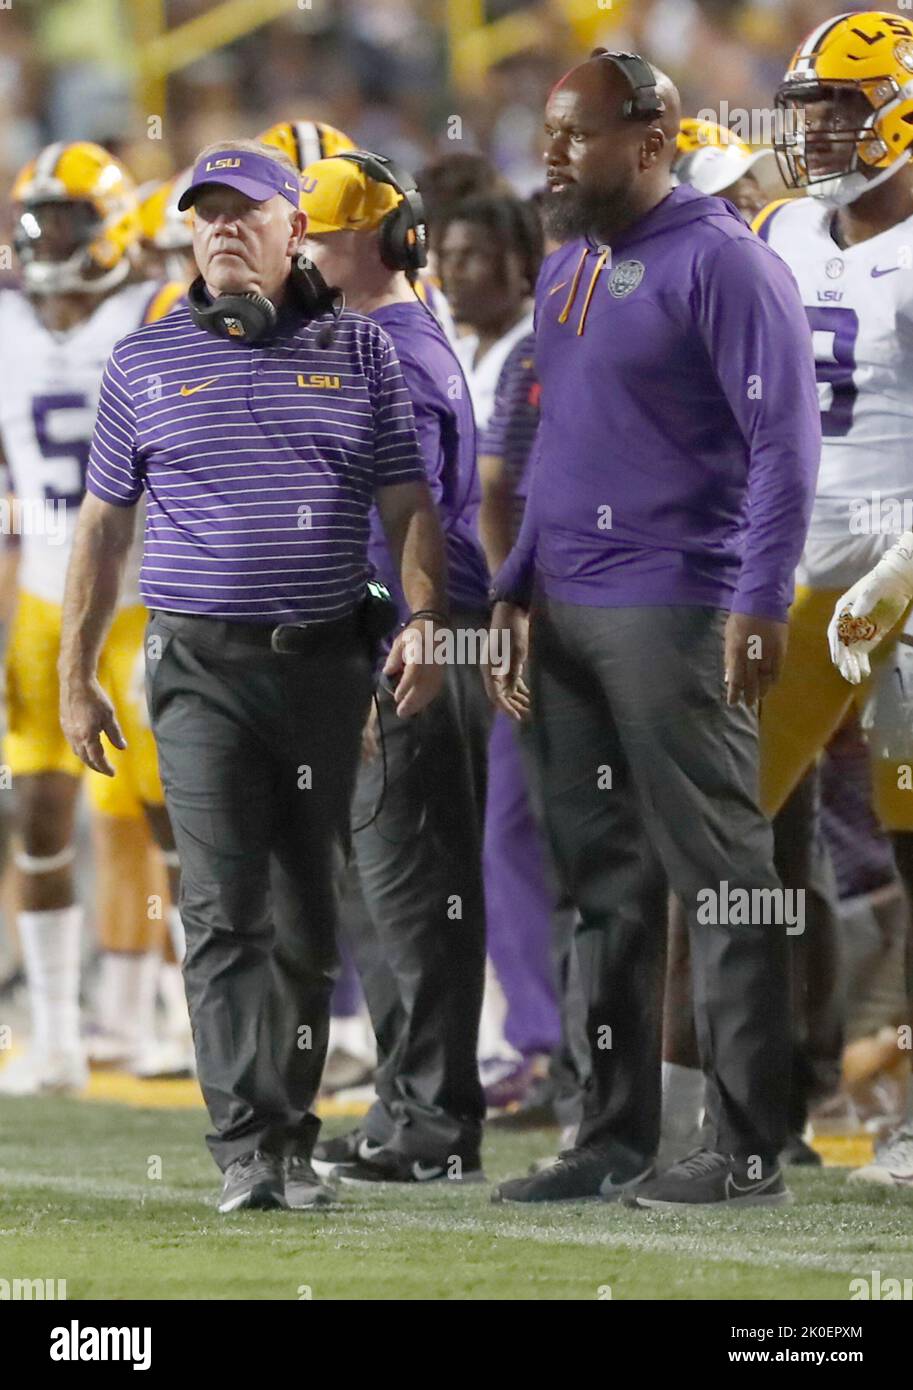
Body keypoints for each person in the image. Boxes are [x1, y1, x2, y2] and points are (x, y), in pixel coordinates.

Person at [58, 138, 448, 1214]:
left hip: (325, 664)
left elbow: (407, 503)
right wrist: (74, 673)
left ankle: (290, 1134)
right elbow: (101, 527)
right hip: (198, 667)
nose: (223, 227)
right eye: (206, 212)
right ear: (187, 230)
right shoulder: (143, 361)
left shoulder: (363, 352)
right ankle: (244, 1147)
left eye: (246, 210)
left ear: (295, 230)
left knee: (308, 918)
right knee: (225, 908)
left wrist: (422, 617)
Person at [486, 50, 820, 1208]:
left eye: (576, 134)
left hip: (678, 605)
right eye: (549, 130)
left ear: (652, 141)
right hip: (568, 604)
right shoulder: (569, 258)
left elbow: (784, 447)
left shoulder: (725, 262)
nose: (553, 151)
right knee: (600, 887)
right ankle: (610, 1132)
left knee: (724, 882)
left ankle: (743, 1147)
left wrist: (759, 600)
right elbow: (562, 443)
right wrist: (516, 585)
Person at [293, 149, 491, 1182]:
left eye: (320, 237)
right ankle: (411, 1106)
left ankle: (432, 1126)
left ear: (376, 240)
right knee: (385, 889)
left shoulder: (390, 349)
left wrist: (383, 639)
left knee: (411, 887)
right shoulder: (383, 337)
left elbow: (400, 521)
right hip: (394, 637)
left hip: (403, 642)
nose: (304, 256)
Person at [753, 7, 913, 1185]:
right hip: (798, 574)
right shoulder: (782, 232)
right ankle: (751, 1098)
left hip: (903, 570)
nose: (817, 133)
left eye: (841, 108)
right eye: (808, 111)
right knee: (725, 826)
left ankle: (904, 1100)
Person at [0, 142, 186, 1096]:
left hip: (142, 593)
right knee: (36, 804)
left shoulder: (151, 309)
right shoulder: (6, 319)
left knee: (170, 812)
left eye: (66, 221)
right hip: (40, 592)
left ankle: (192, 1020)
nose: (45, 241)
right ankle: (60, 1039)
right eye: (38, 221)